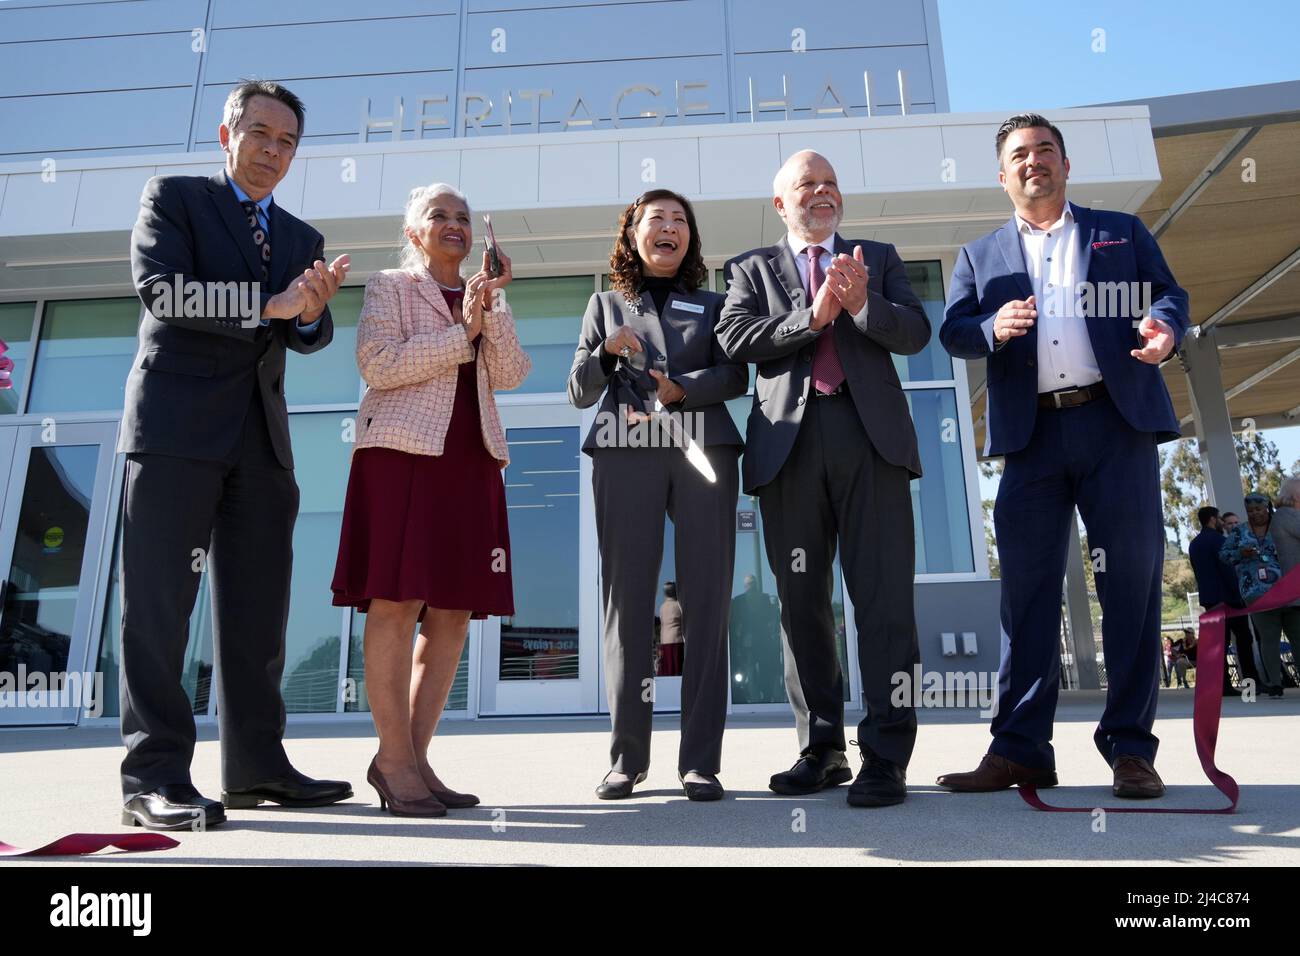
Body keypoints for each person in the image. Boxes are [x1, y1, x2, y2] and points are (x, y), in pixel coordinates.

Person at [118, 80, 352, 830]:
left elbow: (304, 336)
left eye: (287, 142)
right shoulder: (175, 198)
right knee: (159, 607)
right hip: (176, 431)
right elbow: (164, 295)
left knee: (259, 614)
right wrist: (270, 305)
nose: (273, 152)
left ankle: (257, 767)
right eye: (260, 134)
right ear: (228, 135)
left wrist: (311, 315)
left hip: (259, 443)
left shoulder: (301, 240)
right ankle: (152, 776)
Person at [937, 113, 1190, 800]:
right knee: (1026, 596)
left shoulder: (1120, 232)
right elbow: (954, 330)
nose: (1033, 162)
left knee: (1132, 588)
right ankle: (1020, 749)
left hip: (1116, 426)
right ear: (1002, 174)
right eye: (1019, 154)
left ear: (1066, 165)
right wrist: (991, 327)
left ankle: (1131, 750)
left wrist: (1164, 326)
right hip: (1032, 440)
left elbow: (1171, 293)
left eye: (1045, 150)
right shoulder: (978, 255)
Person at [715, 150, 930, 808]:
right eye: (806, 184)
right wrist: (807, 321)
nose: (821, 192)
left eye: (830, 182)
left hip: (872, 445)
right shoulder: (750, 268)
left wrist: (865, 306)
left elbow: (918, 332)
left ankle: (887, 756)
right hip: (791, 451)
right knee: (802, 606)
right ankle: (823, 748)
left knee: (886, 604)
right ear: (781, 204)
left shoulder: (878, 256)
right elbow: (734, 338)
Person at [331, 183, 531, 815]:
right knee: (396, 601)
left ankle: (411, 761)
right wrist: (458, 334)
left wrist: (489, 310)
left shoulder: (483, 295)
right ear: (414, 233)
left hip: (470, 460)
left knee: (452, 613)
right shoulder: (391, 286)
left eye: (463, 217)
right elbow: (378, 364)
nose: (453, 225)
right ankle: (393, 760)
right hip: (401, 457)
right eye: (438, 216)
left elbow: (510, 375)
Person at [569, 188, 747, 802]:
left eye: (680, 221)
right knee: (629, 602)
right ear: (634, 234)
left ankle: (700, 761)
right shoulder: (603, 303)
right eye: (656, 220)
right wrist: (605, 351)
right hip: (624, 451)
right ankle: (627, 759)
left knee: (707, 600)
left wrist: (682, 389)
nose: (669, 228)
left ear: (690, 238)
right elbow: (577, 390)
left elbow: (734, 375)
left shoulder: (718, 302)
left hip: (705, 453)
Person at [1220, 493, 1292, 699]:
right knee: (1268, 638)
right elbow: (1224, 555)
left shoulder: (1282, 526)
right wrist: (1241, 554)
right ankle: (1275, 684)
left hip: (1288, 588)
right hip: (1256, 592)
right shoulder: (1240, 532)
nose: (1255, 514)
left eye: (1258, 509)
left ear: (1267, 508)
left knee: (1296, 635)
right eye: (1250, 511)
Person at [1187, 505, 1260, 694]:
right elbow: (1227, 570)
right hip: (1230, 599)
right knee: (1244, 640)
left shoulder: (1194, 545)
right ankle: (1251, 684)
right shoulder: (1220, 541)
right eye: (1219, 519)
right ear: (1212, 519)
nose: (1221, 522)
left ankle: (1224, 685)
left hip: (1210, 599)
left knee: (1220, 643)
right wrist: (1239, 595)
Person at [657, 582, 684, 677]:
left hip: (665, 641)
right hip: (677, 640)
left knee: (668, 673)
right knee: (678, 672)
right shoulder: (679, 605)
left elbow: (662, 626)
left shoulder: (662, 607)